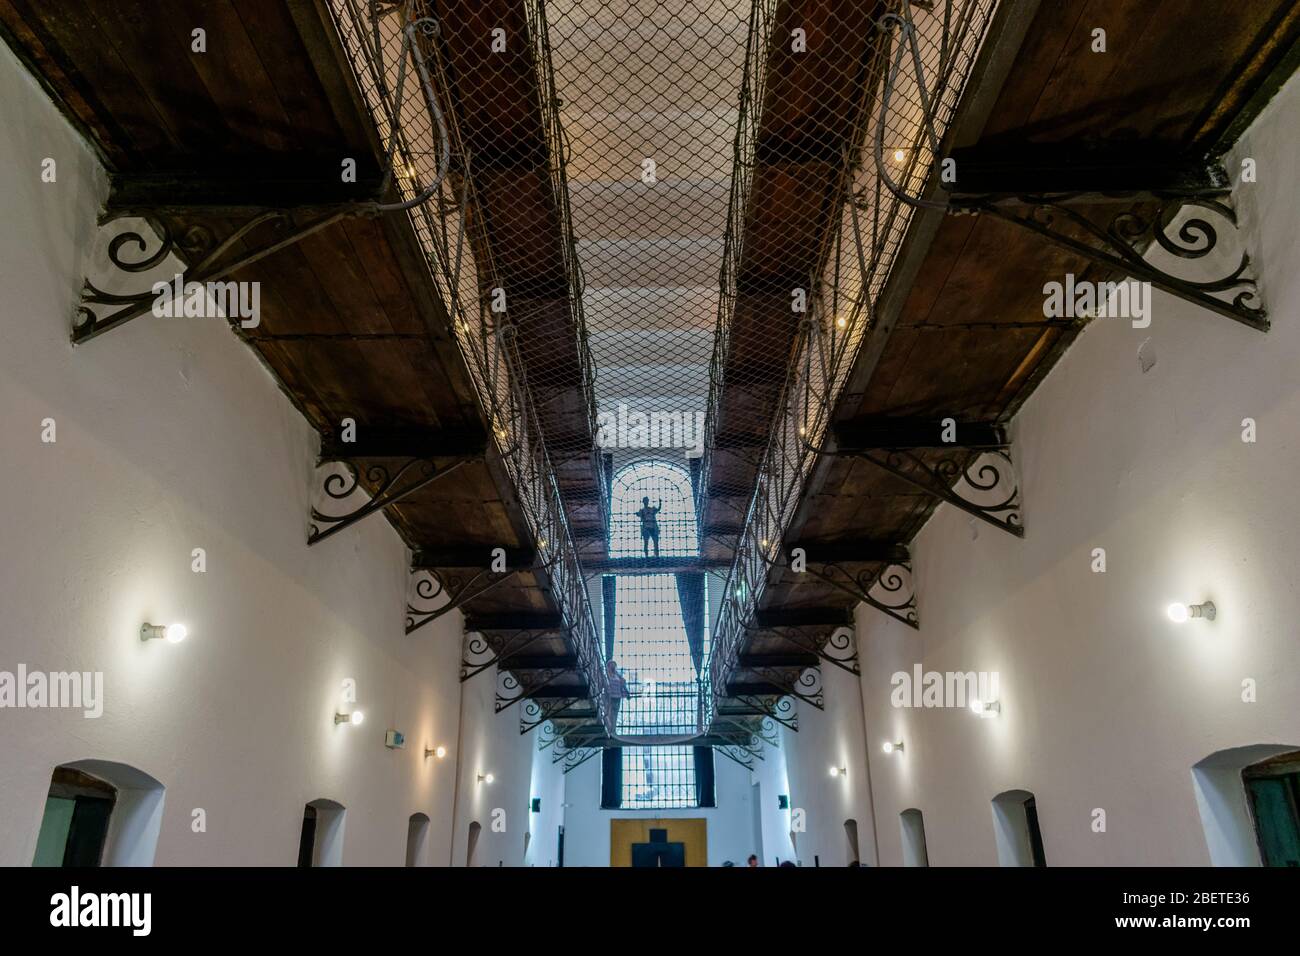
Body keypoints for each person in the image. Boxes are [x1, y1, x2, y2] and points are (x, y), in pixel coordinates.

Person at [606, 658, 629, 725]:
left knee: (615, 713)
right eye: (611, 665)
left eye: (614, 665)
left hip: (617, 696)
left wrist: (627, 693)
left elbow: (623, 683)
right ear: (608, 666)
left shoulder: (617, 676)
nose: (613, 667)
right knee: (609, 712)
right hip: (610, 696)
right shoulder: (607, 675)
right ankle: (609, 725)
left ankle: (612, 727)